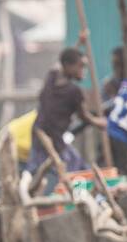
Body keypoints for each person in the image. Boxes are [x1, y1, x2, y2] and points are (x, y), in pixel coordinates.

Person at [25, 46, 106, 176]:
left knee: (78, 168)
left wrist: (79, 42)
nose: (83, 71)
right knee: (74, 172)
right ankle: (76, 194)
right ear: (68, 66)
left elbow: (63, 60)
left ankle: (80, 193)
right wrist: (99, 123)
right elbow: (84, 116)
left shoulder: (52, 77)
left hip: (41, 135)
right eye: (80, 66)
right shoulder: (73, 91)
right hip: (50, 140)